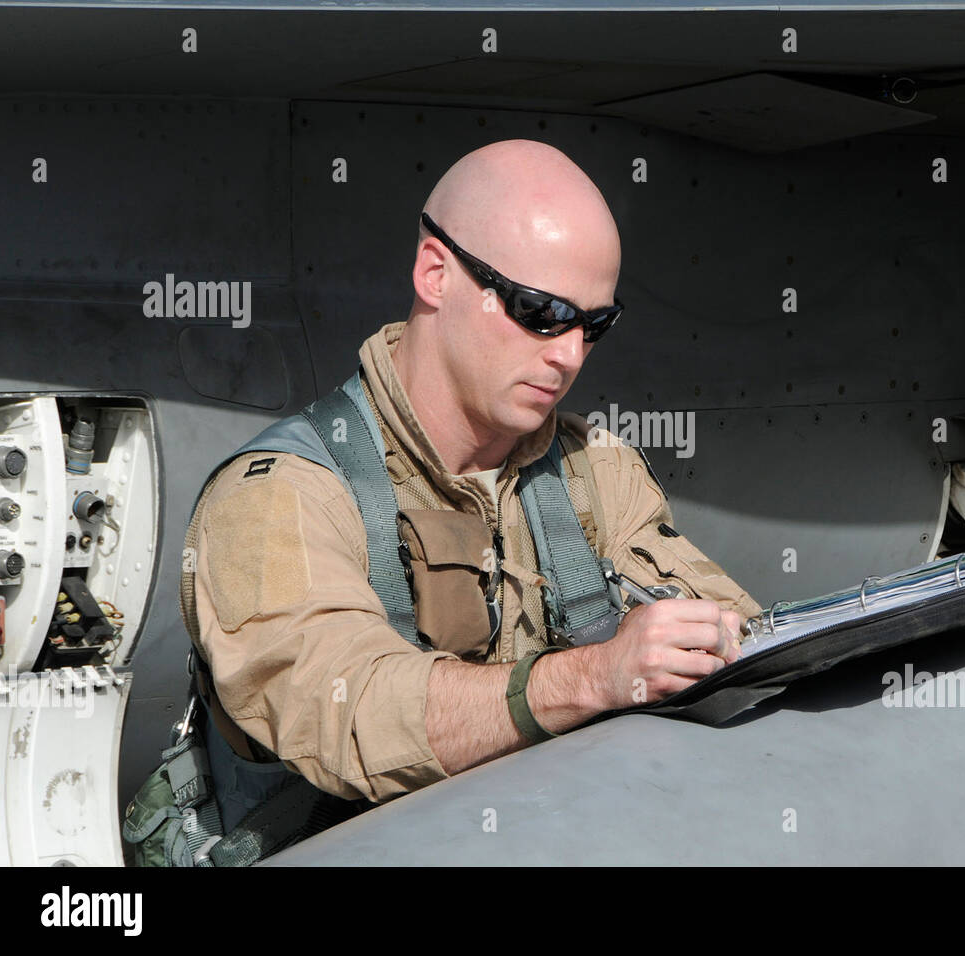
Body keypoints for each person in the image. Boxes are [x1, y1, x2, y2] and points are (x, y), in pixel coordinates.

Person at [180, 139, 762, 808]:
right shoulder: (280, 496)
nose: (570, 355)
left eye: (595, 325)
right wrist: (589, 677)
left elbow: (737, 638)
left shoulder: (594, 472)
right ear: (436, 274)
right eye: (542, 314)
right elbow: (350, 719)